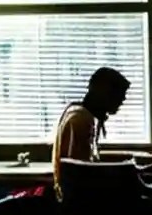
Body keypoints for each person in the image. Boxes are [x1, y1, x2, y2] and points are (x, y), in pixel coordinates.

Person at [52, 67, 130, 200]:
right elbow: (79, 172)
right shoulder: (80, 119)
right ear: (105, 93)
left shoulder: (83, 114)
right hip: (81, 204)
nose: (123, 99)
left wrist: (129, 158)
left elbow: (88, 160)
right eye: (119, 93)